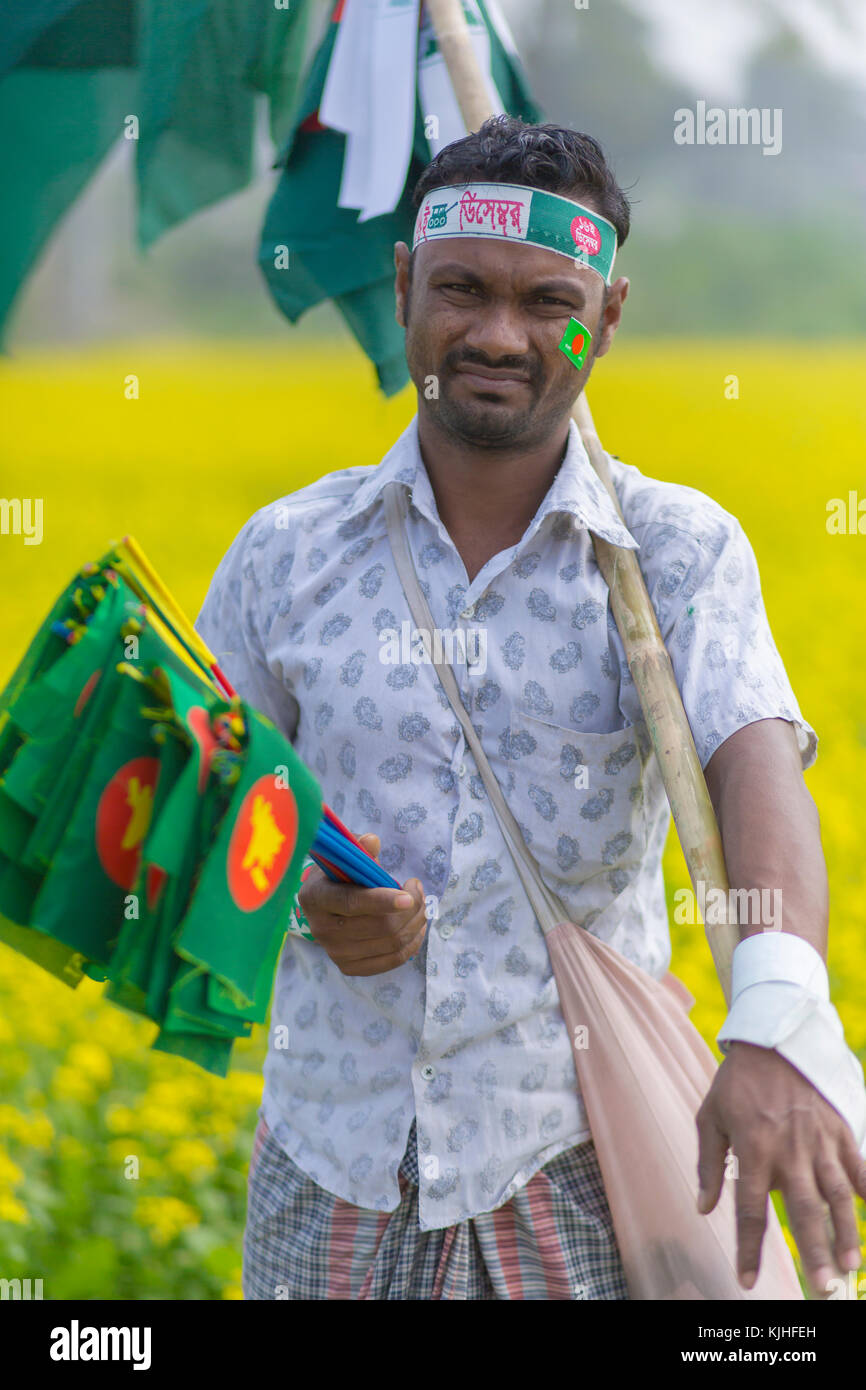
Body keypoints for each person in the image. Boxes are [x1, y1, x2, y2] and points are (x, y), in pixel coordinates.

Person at [194, 116, 865, 1301]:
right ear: (403, 284)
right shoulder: (285, 553)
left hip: (569, 1173)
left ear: (604, 314)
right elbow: (208, 823)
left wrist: (773, 1009)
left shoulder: (669, 551)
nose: (497, 335)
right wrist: (303, 908)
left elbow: (754, 758)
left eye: (545, 299)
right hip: (325, 1172)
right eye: (458, 289)